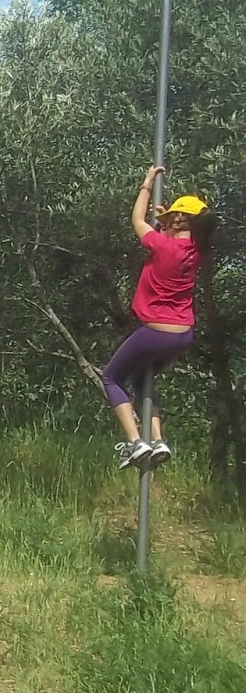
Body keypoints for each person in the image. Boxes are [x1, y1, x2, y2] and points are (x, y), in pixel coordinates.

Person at [101, 166, 214, 469]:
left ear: (180, 219)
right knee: (142, 379)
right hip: (183, 335)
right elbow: (175, 237)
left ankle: (136, 443)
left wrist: (147, 185)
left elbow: (137, 220)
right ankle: (158, 440)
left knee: (111, 378)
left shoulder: (163, 245)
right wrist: (169, 221)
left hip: (156, 332)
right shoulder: (196, 250)